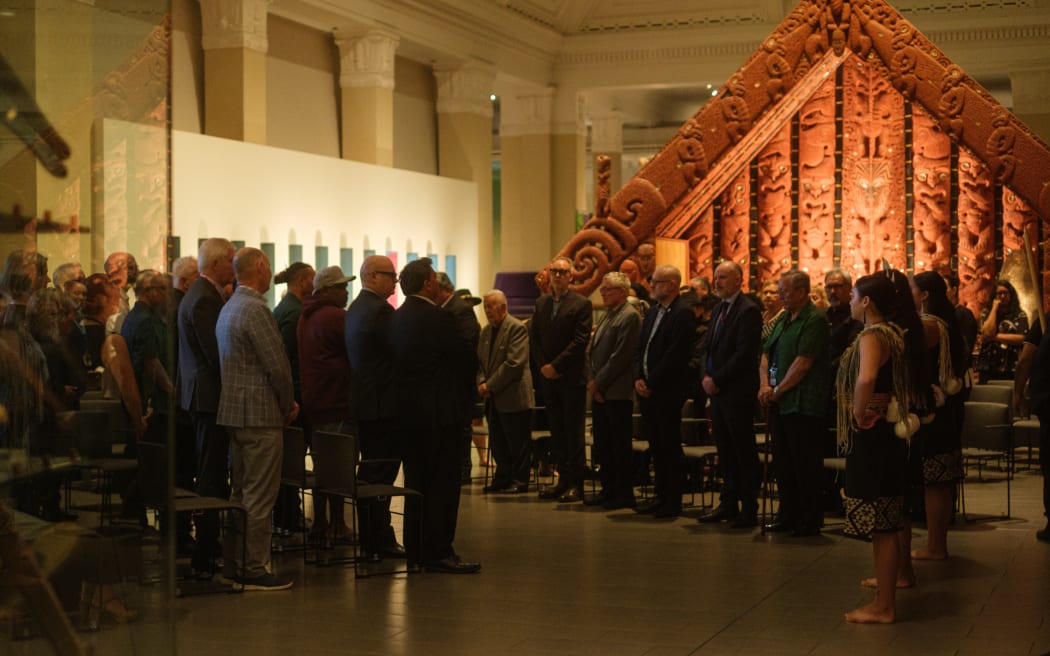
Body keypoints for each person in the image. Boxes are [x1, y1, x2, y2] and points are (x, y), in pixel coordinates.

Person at [389, 258, 479, 573]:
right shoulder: (439, 318)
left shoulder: (397, 317)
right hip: (440, 415)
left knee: (416, 482)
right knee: (442, 485)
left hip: (408, 416)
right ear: (428, 284)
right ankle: (439, 550)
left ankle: (415, 548)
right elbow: (465, 360)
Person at [216, 247, 298, 591]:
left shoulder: (230, 305)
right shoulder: (255, 308)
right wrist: (288, 403)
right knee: (261, 495)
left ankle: (235, 562)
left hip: (235, 411)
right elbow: (277, 365)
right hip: (261, 414)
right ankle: (253, 567)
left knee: (240, 492)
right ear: (261, 267)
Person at [836, 272, 914, 624]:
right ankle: (886, 596)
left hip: (873, 431)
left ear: (867, 302)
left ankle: (884, 606)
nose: (850, 302)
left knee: (881, 525)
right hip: (889, 431)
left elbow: (866, 378)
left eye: (853, 296)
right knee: (889, 518)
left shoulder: (872, 335)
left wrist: (856, 411)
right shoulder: (894, 332)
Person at [177, 237, 236, 579]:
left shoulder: (203, 295)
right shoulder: (202, 299)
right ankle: (206, 549)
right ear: (216, 265)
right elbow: (216, 354)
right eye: (230, 260)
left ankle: (209, 546)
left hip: (204, 395)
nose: (234, 267)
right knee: (212, 473)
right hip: (208, 397)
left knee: (211, 469)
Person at [758, 270, 831, 536]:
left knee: (804, 464)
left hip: (803, 403)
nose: (780, 295)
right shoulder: (783, 319)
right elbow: (766, 352)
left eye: (785, 291)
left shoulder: (814, 319)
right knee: (783, 463)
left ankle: (808, 518)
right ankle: (787, 514)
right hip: (779, 400)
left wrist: (778, 390)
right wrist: (765, 385)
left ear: (802, 291)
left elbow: (803, 363)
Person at [343, 255, 404, 559]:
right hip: (383, 405)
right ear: (372, 276)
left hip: (366, 403)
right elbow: (398, 352)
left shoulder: (356, 308)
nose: (395, 281)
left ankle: (372, 537)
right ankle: (378, 538)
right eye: (391, 275)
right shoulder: (380, 311)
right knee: (381, 476)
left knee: (370, 472)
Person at [907, 271, 967, 561]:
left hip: (934, 409)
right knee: (939, 481)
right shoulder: (947, 321)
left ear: (925, 294)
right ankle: (937, 544)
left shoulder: (929, 325)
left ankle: (935, 545)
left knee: (935, 481)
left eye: (911, 288)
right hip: (945, 409)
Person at [698, 261, 762, 527]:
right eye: (715, 277)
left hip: (736, 391)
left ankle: (748, 507)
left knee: (742, 451)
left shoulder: (748, 310)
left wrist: (718, 379)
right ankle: (728, 503)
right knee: (724, 451)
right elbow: (707, 348)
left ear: (738, 280)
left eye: (723, 277)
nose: (717, 282)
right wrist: (705, 376)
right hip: (716, 391)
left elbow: (744, 354)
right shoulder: (718, 309)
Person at [298, 265, 356, 545]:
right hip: (336, 400)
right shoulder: (336, 317)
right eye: (342, 287)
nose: (346, 292)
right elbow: (354, 352)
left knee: (323, 466)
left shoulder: (306, 315)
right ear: (328, 290)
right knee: (339, 467)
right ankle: (338, 524)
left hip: (314, 400)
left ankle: (321, 523)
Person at [633, 265, 697, 519]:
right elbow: (641, 347)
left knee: (669, 445)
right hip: (647, 388)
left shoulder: (683, 314)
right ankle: (660, 496)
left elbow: (675, 355)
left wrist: (652, 381)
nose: (651, 286)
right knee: (656, 446)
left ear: (671, 284)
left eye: (656, 282)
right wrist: (639, 376)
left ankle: (672, 500)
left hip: (667, 390)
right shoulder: (653, 312)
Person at [529, 256, 592, 503]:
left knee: (573, 433)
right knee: (557, 433)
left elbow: (580, 340)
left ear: (571, 276)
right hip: (548, 378)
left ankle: (576, 484)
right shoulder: (541, 303)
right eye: (554, 271)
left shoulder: (581, 304)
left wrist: (555, 366)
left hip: (570, 377)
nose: (557, 275)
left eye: (562, 272)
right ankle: (562, 481)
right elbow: (534, 338)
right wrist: (544, 366)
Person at [586, 272, 642, 509]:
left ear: (622, 292)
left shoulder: (629, 317)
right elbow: (593, 352)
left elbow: (620, 357)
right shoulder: (610, 315)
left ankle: (622, 493)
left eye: (607, 289)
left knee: (619, 445)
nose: (602, 292)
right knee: (603, 444)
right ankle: (607, 489)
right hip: (601, 390)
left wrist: (598, 383)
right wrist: (593, 381)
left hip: (617, 391)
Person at [271, 261, 314, 535]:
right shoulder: (294, 312)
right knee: (292, 458)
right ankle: (287, 515)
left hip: (292, 391)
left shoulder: (285, 308)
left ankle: (289, 513)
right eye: (312, 279)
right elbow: (290, 357)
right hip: (296, 393)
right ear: (301, 281)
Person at [477, 289, 533, 494]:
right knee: (498, 441)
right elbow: (480, 363)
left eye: (491, 307)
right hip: (493, 397)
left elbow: (514, 364)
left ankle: (519, 480)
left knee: (517, 443)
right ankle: (502, 478)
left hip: (513, 396)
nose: (488, 311)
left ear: (503, 307)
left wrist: (489, 385)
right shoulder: (485, 332)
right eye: (485, 307)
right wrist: (482, 382)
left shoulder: (516, 328)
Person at [435, 273, 484, 482]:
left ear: (444, 289)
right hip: (448, 384)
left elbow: (467, 346)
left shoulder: (460, 310)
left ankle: (463, 471)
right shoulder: (445, 309)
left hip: (459, 382)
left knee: (462, 428)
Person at [976, 279, 1028, 382]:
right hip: (988, 365)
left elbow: (1021, 338)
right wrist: (994, 308)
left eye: (1005, 293)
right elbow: (986, 332)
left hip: (1011, 366)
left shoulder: (1020, 315)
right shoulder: (987, 313)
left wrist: (994, 337)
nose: (1003, 296)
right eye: (999, 293)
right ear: (994, 296)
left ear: (1010, 294)